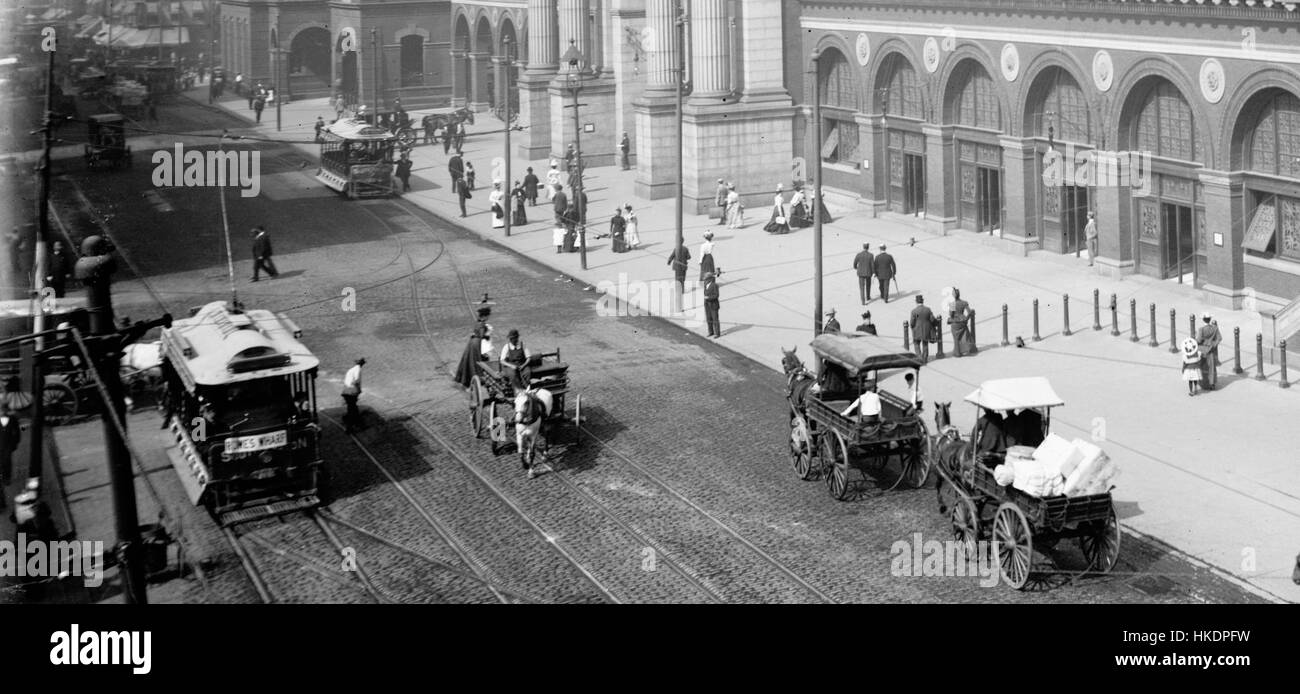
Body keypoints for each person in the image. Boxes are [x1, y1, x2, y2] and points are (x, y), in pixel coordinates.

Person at [0, 404, 19, 509]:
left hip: (8, 445)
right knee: (2, 462)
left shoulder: (12, 419)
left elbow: (17, 432)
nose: (2, 411)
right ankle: (3, 476)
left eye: (4, 410)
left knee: (7, 461)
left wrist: (15, 443)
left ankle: (7, 477)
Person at [1197, 313, 1221, 391]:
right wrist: (1213, 345)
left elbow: (1199, 340)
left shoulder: (1201, 329)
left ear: (1203, 320)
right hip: (1211, 349)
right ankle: (1212, 383)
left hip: (1203, 349)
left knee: (1203, 366)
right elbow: (1219, 338)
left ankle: (1204, 383)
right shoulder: (1215, 328)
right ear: (1210, 319)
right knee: (1211, 367)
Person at [341, 358, 365, 433]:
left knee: (352, 407)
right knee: (352, 409)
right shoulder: (358, 369)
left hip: (346, 391)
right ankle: (350, 427)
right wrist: (359, 390)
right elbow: (356, 381)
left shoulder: (351, 370)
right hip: (352, 391)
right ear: (362, 364)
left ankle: (355, 422)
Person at [910, 295, 934, 364]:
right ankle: (925, 358)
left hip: (917, 331)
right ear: (923, 301)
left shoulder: (914, 311)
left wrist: (912, 327)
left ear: (916, 302)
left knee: (916, 344)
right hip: (926, 330)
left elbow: (912, 323)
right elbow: (932, 319)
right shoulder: (928, 309)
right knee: (925, 344)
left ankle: (919, 357)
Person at [949, 288, 972, 357]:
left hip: (955, 322)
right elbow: (970, 312)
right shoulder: (964, 302)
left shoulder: (952, 304)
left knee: (956, 338)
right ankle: (965, 349)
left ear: (953, 295)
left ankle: (957, 352)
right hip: (962, 321)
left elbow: (951, 315)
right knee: (964, 336)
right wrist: (966, 319)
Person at [703, 272, 722, 338]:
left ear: (710, 279)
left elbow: (716, 295)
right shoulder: (705, 285)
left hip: (713, 304)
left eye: (706, 279)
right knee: (709, 318)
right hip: (707, 305)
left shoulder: (714, 285)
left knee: (715, 319)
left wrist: (709, 298)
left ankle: (717, 333)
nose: (705, 280)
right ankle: (711, 332)